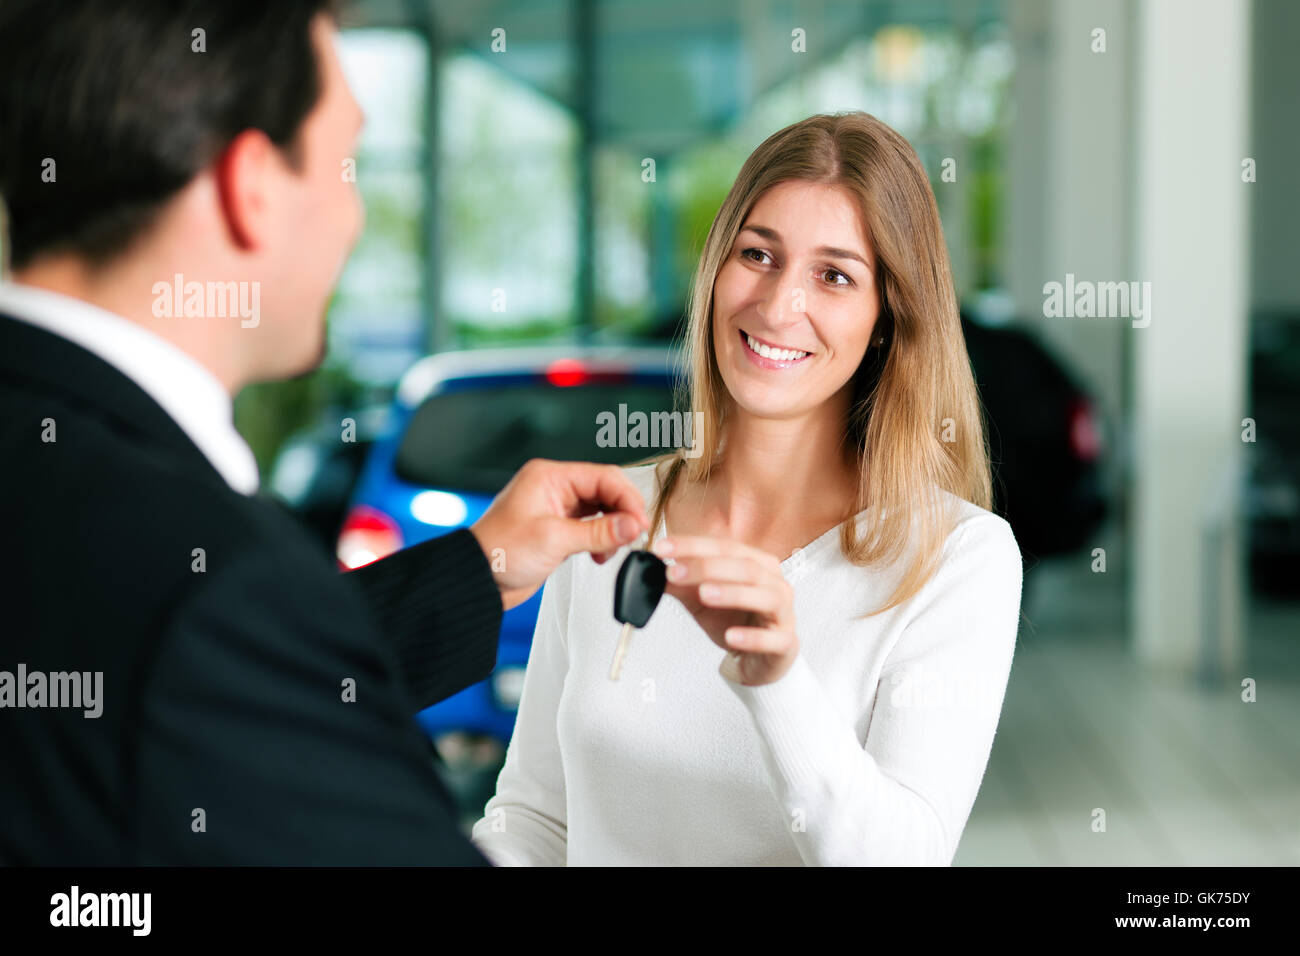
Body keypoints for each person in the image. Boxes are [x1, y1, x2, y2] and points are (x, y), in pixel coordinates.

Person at [0, 0, 648, 865]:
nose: (355, 218)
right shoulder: (213, 582)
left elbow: (171, 671)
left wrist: (477, 565)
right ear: (252, 188)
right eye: (346, 165)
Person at [470, 112, 1025, 866]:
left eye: (834, 275)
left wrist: (778, 681)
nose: (777, 305)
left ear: (887, 318)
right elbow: (535, 817)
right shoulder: (609, 518)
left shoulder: (957, 558)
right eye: (758, 254)